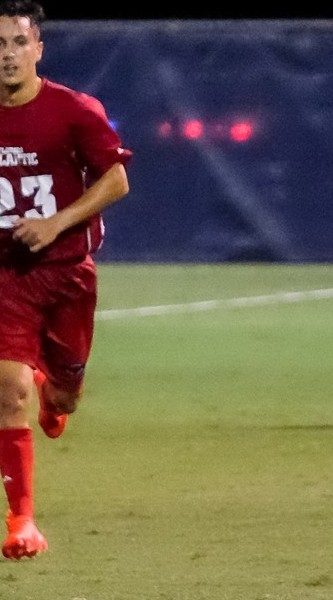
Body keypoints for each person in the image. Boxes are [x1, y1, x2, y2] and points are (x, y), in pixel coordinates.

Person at [0, 0, 132, 559]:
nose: (7, 55)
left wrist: (56, 223)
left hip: (67, 274)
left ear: (38, 49)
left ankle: (57, 394)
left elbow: (116, 180)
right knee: (10, 391)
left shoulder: (73, 110)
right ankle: (22, 521)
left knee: (63, 394)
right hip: (7, 277)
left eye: (17, 43)